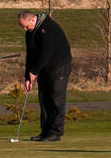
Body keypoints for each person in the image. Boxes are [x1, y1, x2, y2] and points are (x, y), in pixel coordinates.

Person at [19, 11, 73, 141]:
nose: (25, 29)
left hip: (59, 66)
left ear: (32, 20)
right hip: (44, 68)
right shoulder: (30, 33)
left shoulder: (48, 27)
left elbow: (46, 52)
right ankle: (45, 131)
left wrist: (34, 71)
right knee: (44, 99)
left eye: (26, 26)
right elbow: (30, 55)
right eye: (23, 27)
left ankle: (55, 132)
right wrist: (28, 76)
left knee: (56, 98)